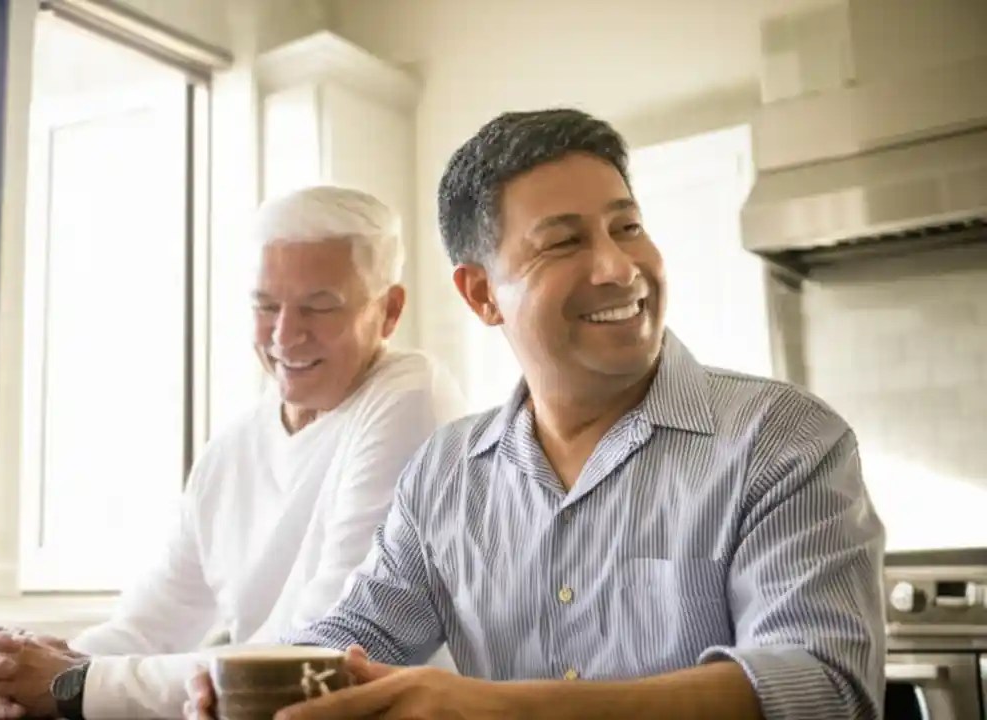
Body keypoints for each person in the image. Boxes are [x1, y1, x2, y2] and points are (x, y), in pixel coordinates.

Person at [187, 108, 887, 720]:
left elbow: (823, 689)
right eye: (564, 241)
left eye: (627, 226)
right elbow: (354, 634)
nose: (617, 267)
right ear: (482, 293)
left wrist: (500, 709)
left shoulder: (783, 439)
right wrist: (247, 685)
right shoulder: (445, 472)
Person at [0, 186, 465, 719]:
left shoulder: (410, 397)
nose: (285, 336)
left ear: (388, 311)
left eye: (319, 307)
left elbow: (326, 658)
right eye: (266, 306)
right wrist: (23, 676)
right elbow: (151, 623)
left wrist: (73, 683)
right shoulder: (233, 445)